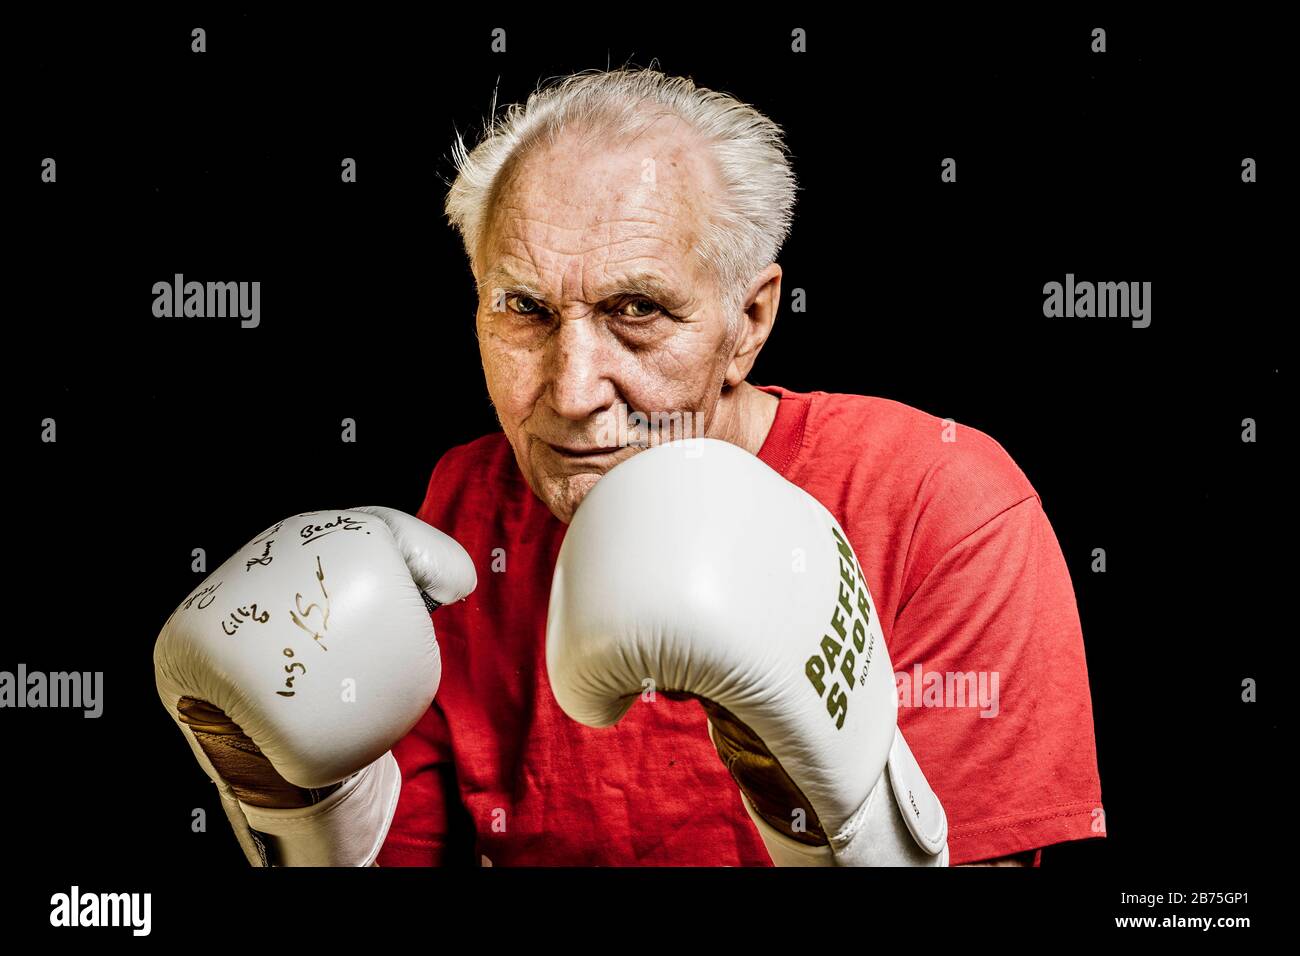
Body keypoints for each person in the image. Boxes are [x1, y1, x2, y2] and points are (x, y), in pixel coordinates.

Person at [155, 69, 1103, 867]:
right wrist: (300, 801)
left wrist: (841, 821)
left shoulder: (939, 501)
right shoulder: (464, 511)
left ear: (750, 320)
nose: (571, 392)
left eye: (637, 311)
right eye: (523, 309)